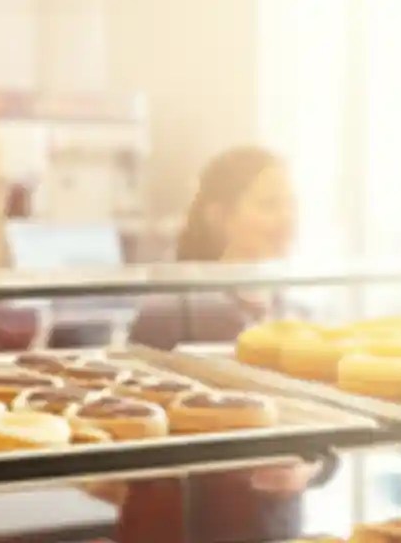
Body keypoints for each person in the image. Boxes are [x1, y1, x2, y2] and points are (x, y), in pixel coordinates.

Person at [118, 146, 318, 543]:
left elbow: (327, 440)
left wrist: (308, 470)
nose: (287, 219)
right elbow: (128, 432)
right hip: (182, 529)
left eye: (291, 204)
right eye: (269, 205)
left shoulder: (301, 313)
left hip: (276, 528)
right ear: (218, 215)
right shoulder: (172, 310)